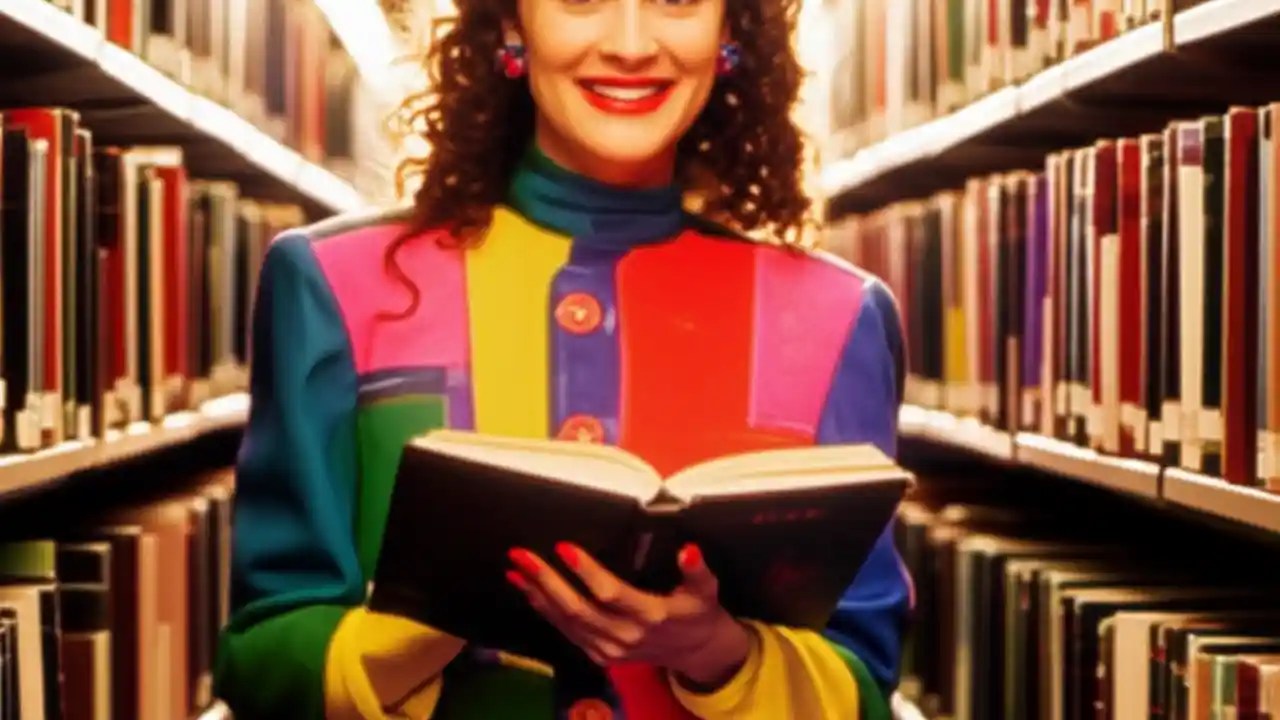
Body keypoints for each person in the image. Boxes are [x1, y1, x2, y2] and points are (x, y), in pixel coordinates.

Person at [212, 0, 912, 717]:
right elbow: (262, 656)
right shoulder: (334, 283)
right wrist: (431, 620)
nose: (631, 45)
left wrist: (715, 651)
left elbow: (865, 679)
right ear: (512, 24)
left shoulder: (840, 318)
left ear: (729, 31)